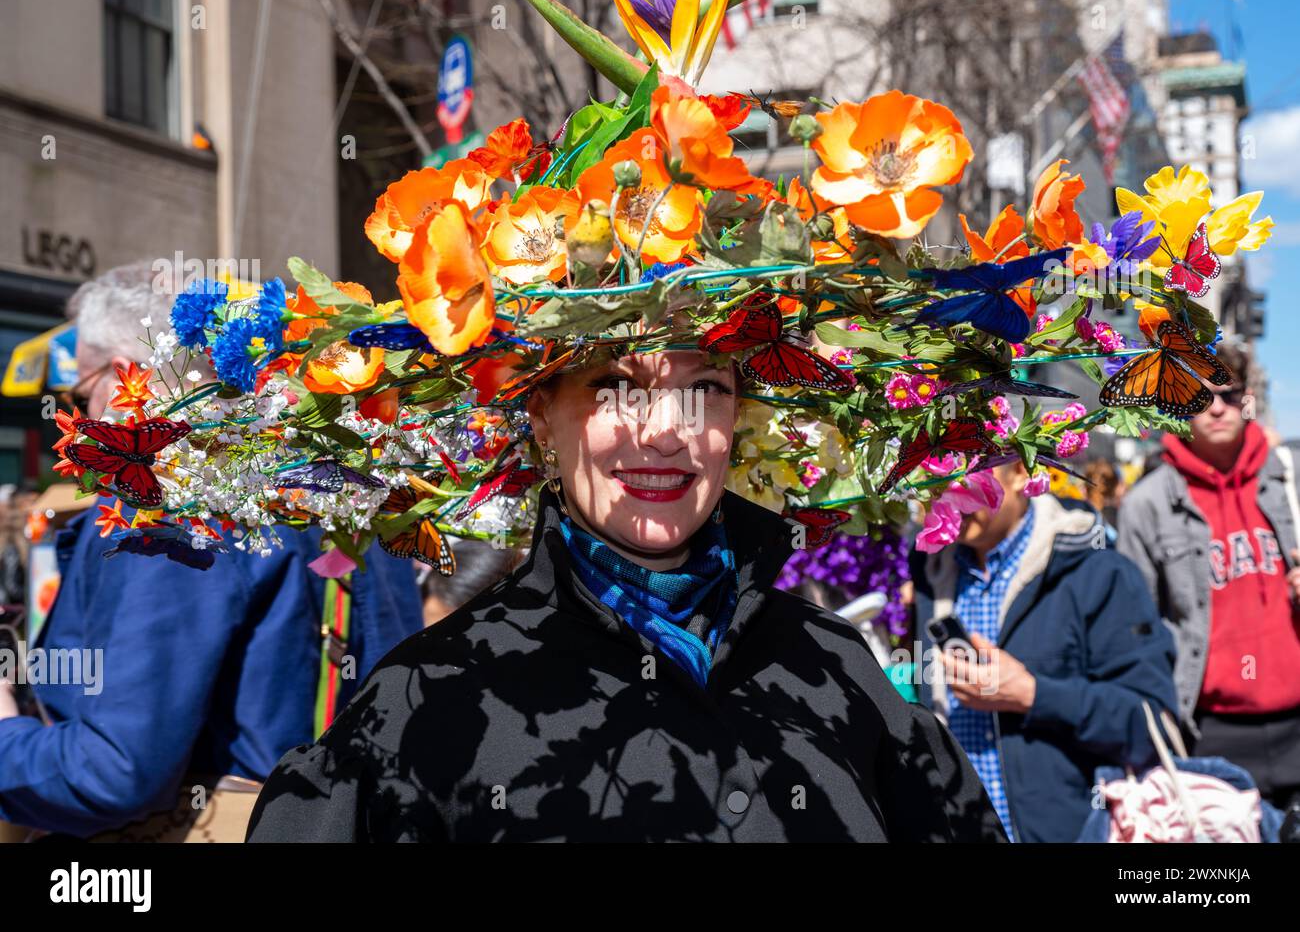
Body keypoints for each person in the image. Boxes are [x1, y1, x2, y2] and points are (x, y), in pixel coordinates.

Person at [247, 349, 1007, 842]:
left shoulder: (834, 664)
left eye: (703, 388)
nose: (664, 433)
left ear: (737, 419)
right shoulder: (429, 694)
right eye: (616, 387)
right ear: (541, 414)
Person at [0, 262, 423, 839]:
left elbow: (113, 771)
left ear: (126, 378)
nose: (77, 420)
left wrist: (6, 736)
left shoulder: (168, 512)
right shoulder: (344, 483)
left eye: (81, 394)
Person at [911, 461, 1178, 843]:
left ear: (1020, 473)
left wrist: (1033, 695)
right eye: (933, 478)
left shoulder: (1098, 572)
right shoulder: (931, 574)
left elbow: (1153, 725)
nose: (946, 495)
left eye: (963, 477)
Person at [1117, 341, 1300, 811]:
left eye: (1229, 395)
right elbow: (1136, 630)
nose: (1217, 408)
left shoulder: (1291, 478)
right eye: (1200, 396)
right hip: (1209, 731)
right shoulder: (1148, 504)